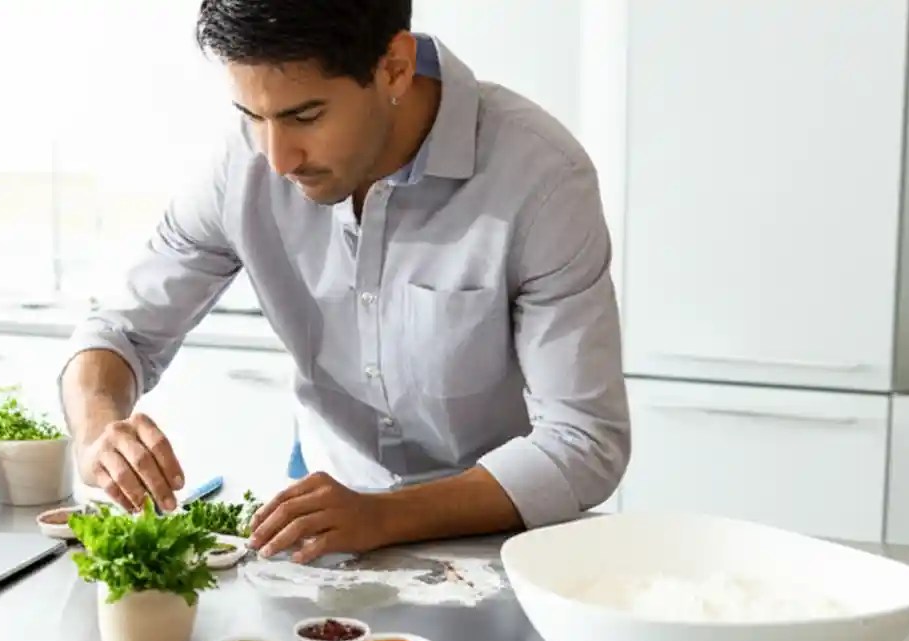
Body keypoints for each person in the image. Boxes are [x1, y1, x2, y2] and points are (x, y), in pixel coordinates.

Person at [59, 0, 630, 564]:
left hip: (496, 542)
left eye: (305, 116)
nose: (277, 158)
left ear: (395, 69)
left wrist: (384, 514)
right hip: (324, 530)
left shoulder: (541, 178)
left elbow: (585, 442)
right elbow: (118, 331)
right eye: (253, 117)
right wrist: (96, 432)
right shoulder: (244, 165)